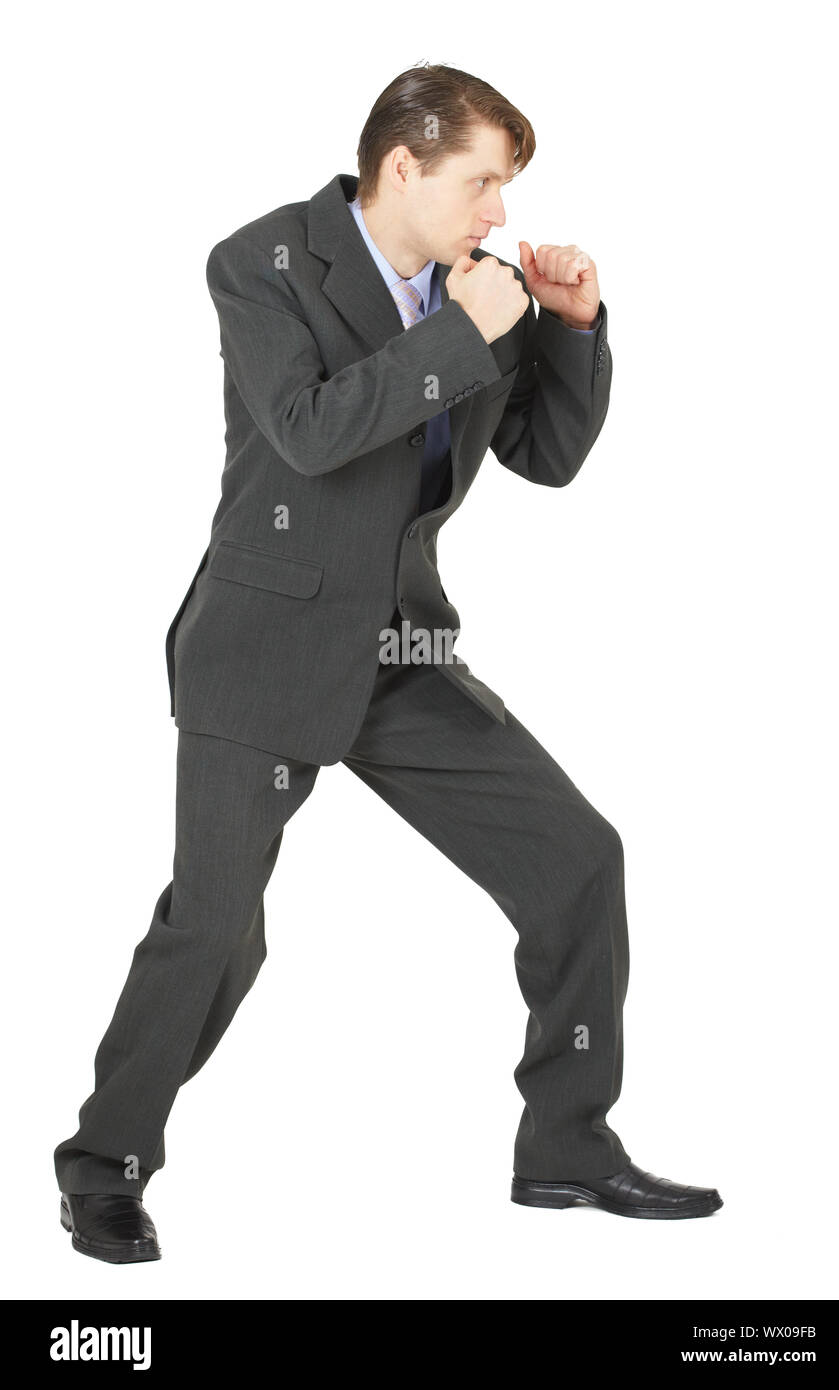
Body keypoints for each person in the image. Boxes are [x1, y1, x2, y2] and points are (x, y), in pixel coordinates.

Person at [54, 62, 722, 1264]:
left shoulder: (487, 290)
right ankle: (105, 1163)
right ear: (401, 166)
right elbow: (309, 434)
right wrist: (463, 333)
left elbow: (545, 457)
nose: (499, 216)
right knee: (218, 930)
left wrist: (565, 332)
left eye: (508, 188)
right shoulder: (259, 264)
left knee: (578, 861)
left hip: (399, 648)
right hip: (261, 647)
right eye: (481, 182)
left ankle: (566, 1144)